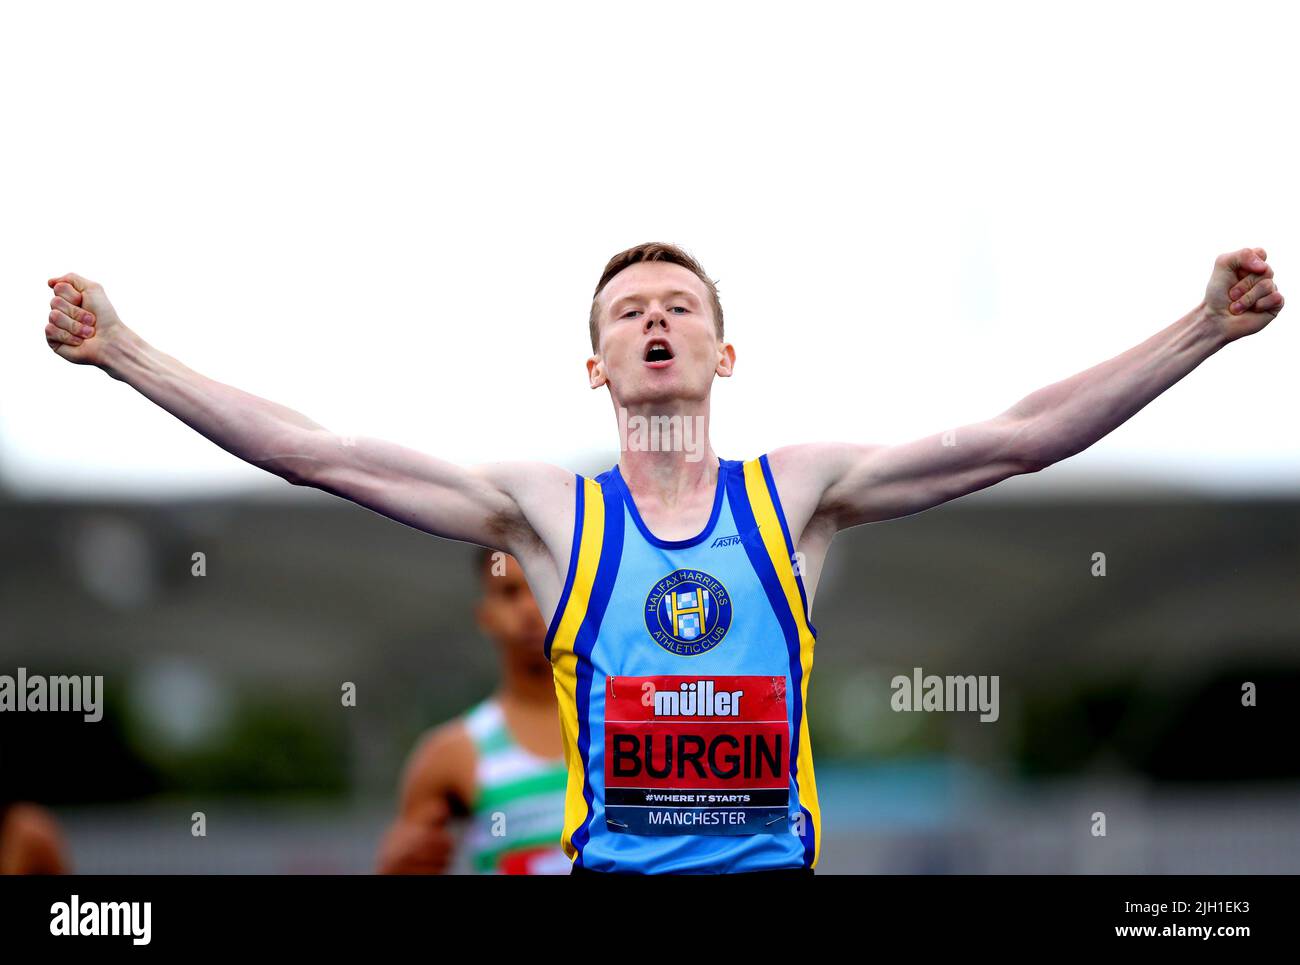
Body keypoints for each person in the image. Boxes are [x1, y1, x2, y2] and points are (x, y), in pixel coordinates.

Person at [42, 242, 1284, 875]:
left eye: (680, 304)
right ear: (594, 364)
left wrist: (1203, 329)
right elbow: (318, 452)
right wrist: (127, 353)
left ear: (722, 355)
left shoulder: (798, 493)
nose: (654, 318)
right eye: (628, 309)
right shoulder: (546, 513)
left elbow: (1016, 438)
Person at [376, 549, 568, 875]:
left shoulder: (627, 725)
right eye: (509, 592)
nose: (528, 608)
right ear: (485, 615)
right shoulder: (451, 753)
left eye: (542, 585)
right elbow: (405, 861)